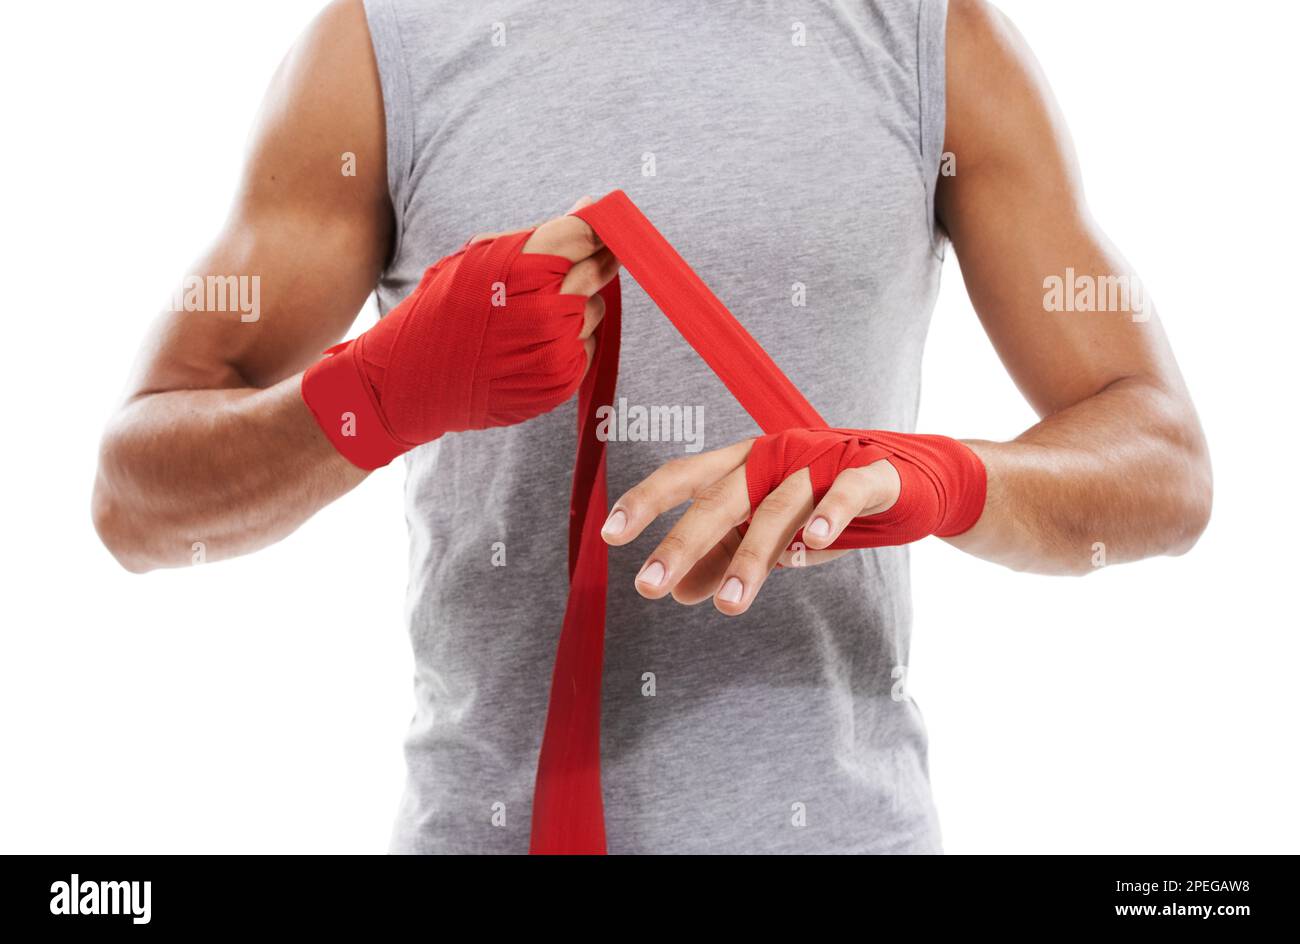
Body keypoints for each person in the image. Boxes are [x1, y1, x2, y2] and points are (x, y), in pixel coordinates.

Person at [92, 0, 1211, 853]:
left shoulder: (927, 35)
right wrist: (373, 392)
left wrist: (936, 476)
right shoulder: (387, 43)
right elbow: (137, 499)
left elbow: (1160, 457)